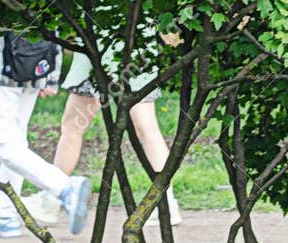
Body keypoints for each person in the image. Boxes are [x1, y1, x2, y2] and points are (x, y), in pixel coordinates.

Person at [0, 31, 93, 239]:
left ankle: (65, 187)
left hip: (3, 66)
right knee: (15, 143)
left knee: (2, 145)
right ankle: (6, 216)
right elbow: (54, 26)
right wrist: (50, 76)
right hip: (34, 64)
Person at [30, 51, 183, 227]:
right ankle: (166, 203)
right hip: (137, 51)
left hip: (97, 52)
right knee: (147, 130)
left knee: (72, 128)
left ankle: (52, 198)